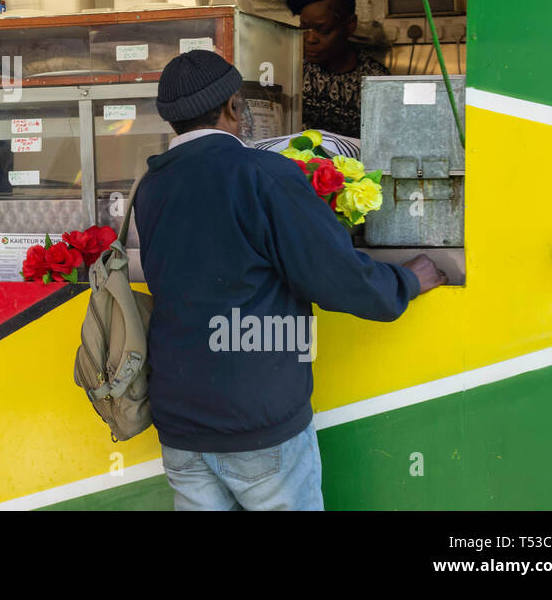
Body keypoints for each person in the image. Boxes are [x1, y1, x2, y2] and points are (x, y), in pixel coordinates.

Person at [135, 50, 446, 510]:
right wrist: (407, 281)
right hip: (256, 419)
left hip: (179, 423)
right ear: (234, 107)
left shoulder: (151, 186)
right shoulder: (264, 174)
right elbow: (337, 278)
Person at [287, 0, 388, 139]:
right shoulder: (290, 71)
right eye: (304, 29)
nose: (310, 39)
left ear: (350, 25)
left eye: (323, 30)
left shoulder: (374, 81)